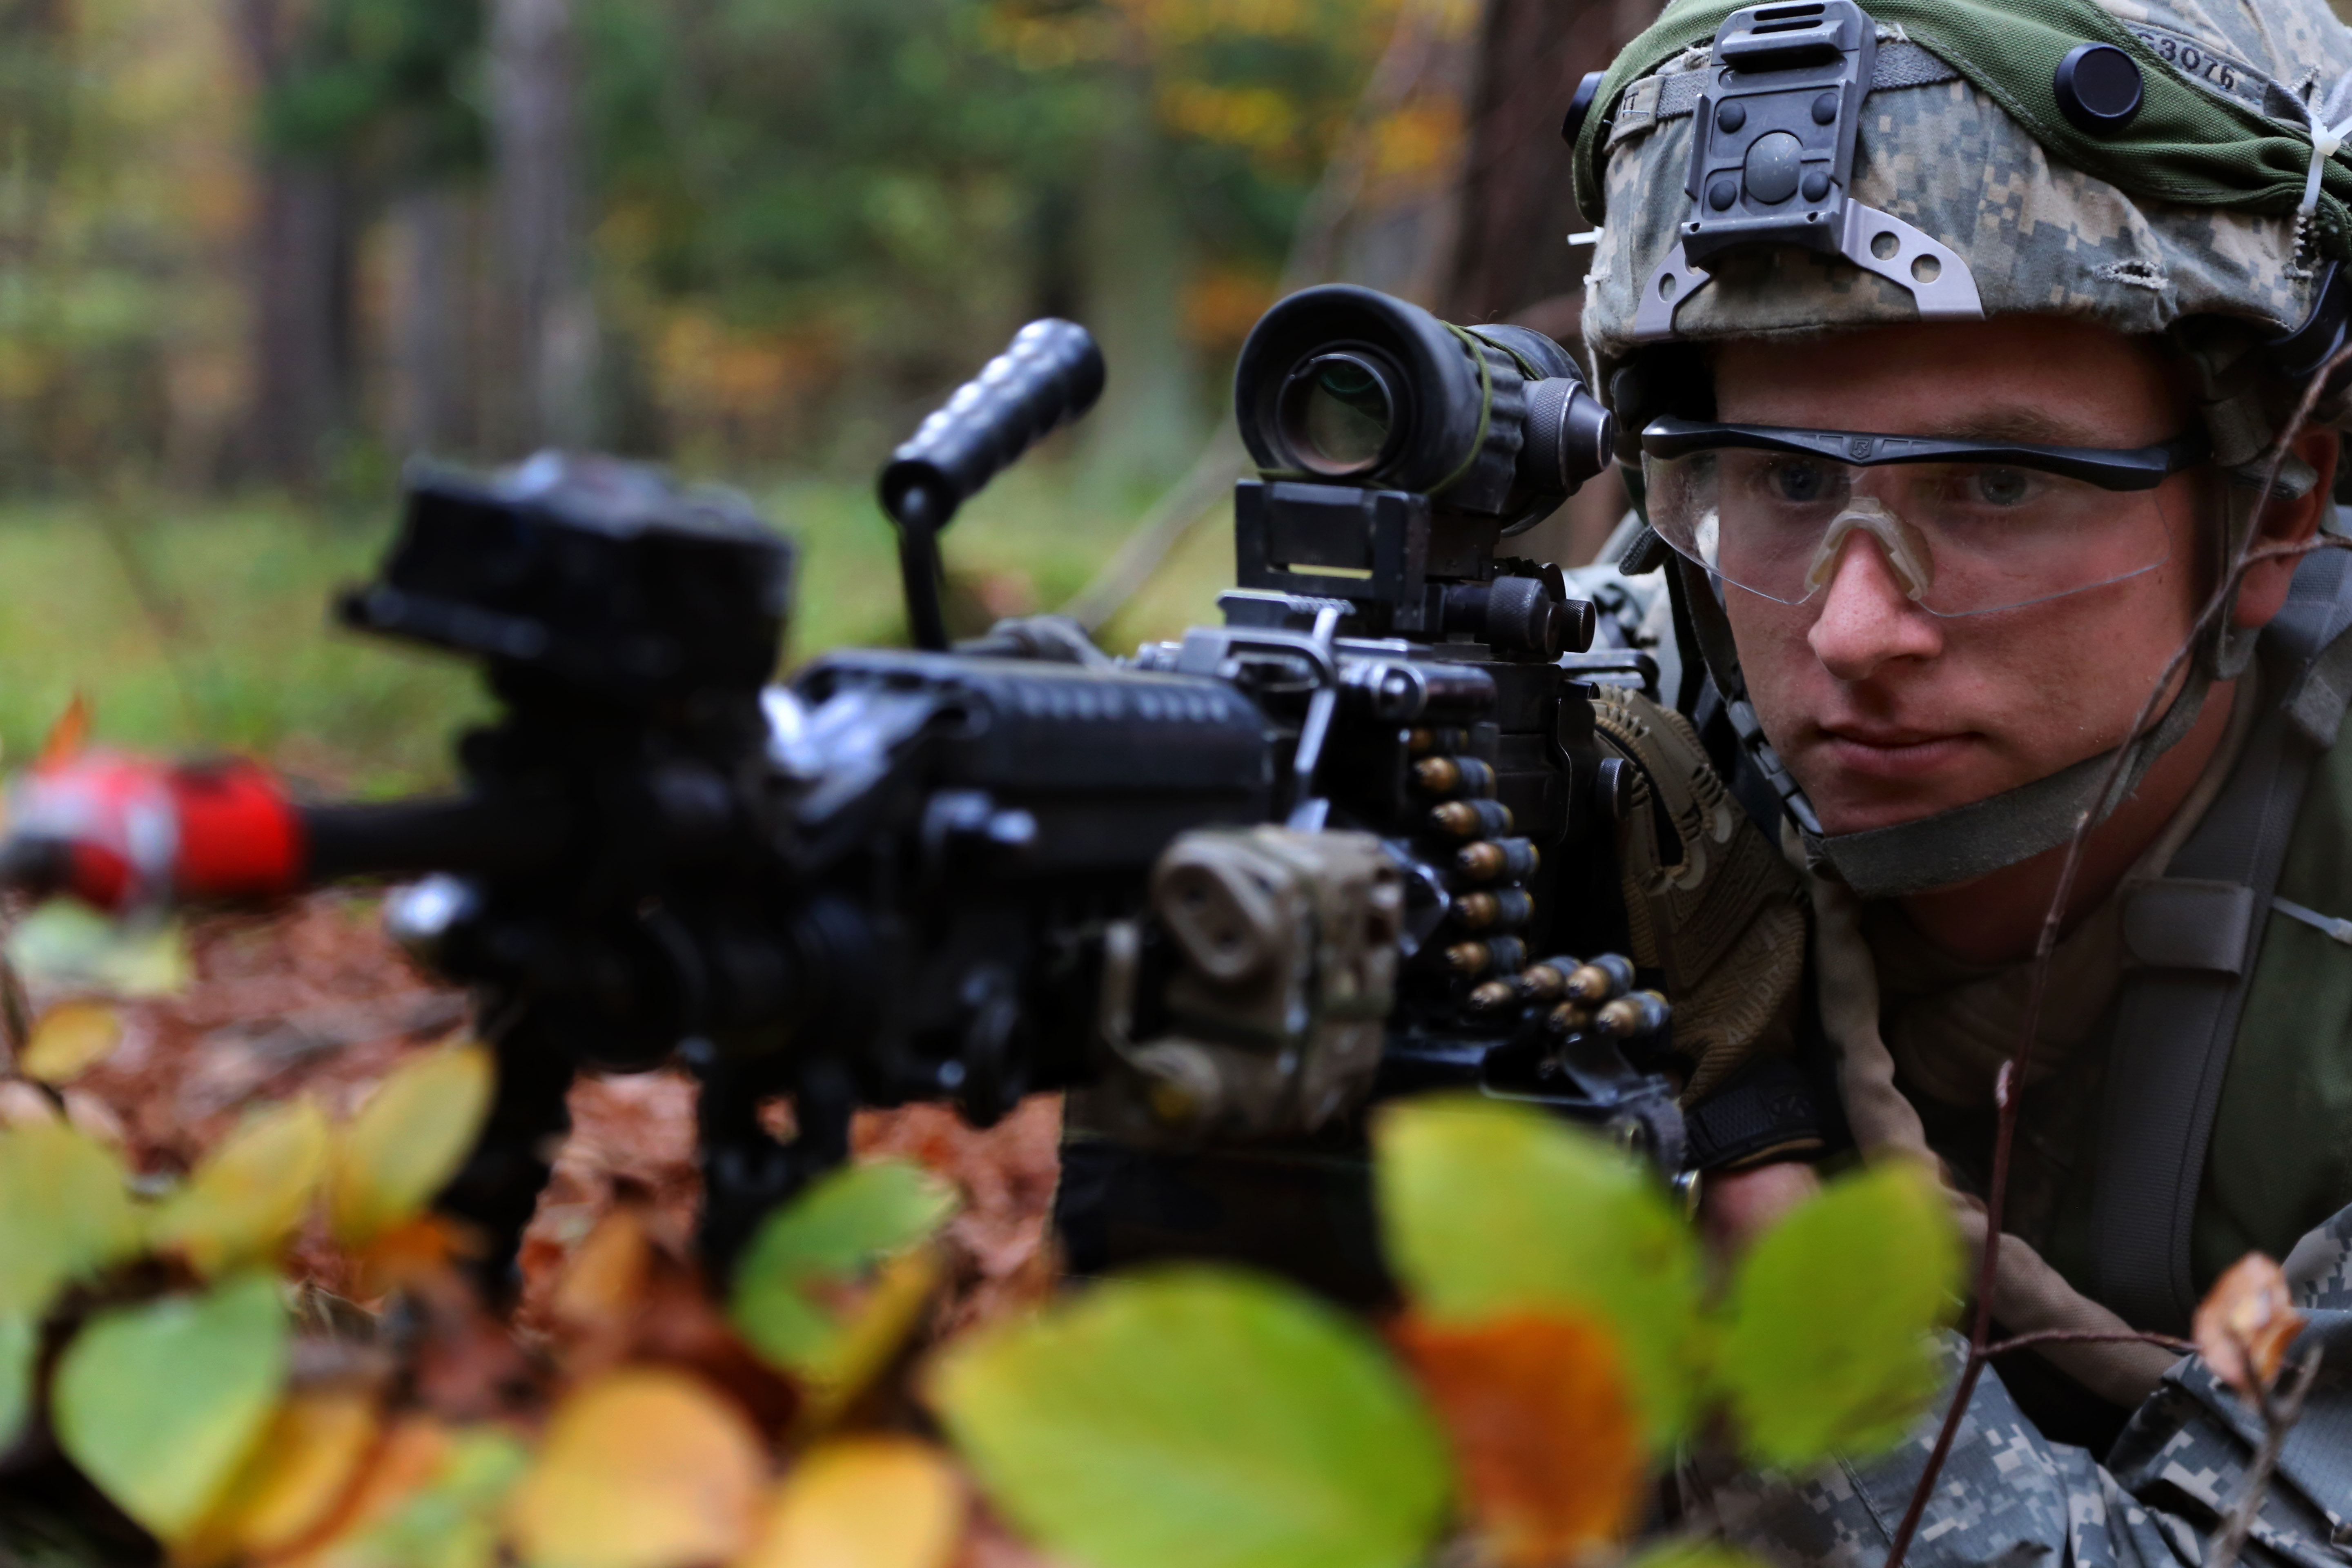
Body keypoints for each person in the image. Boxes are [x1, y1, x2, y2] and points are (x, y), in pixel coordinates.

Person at [1563, 0, 2352, 1559]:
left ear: (2274, 508)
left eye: (1997, 483)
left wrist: (1757, 1202)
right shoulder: (1580, 739)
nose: (1856, 631)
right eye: (1785, 481)